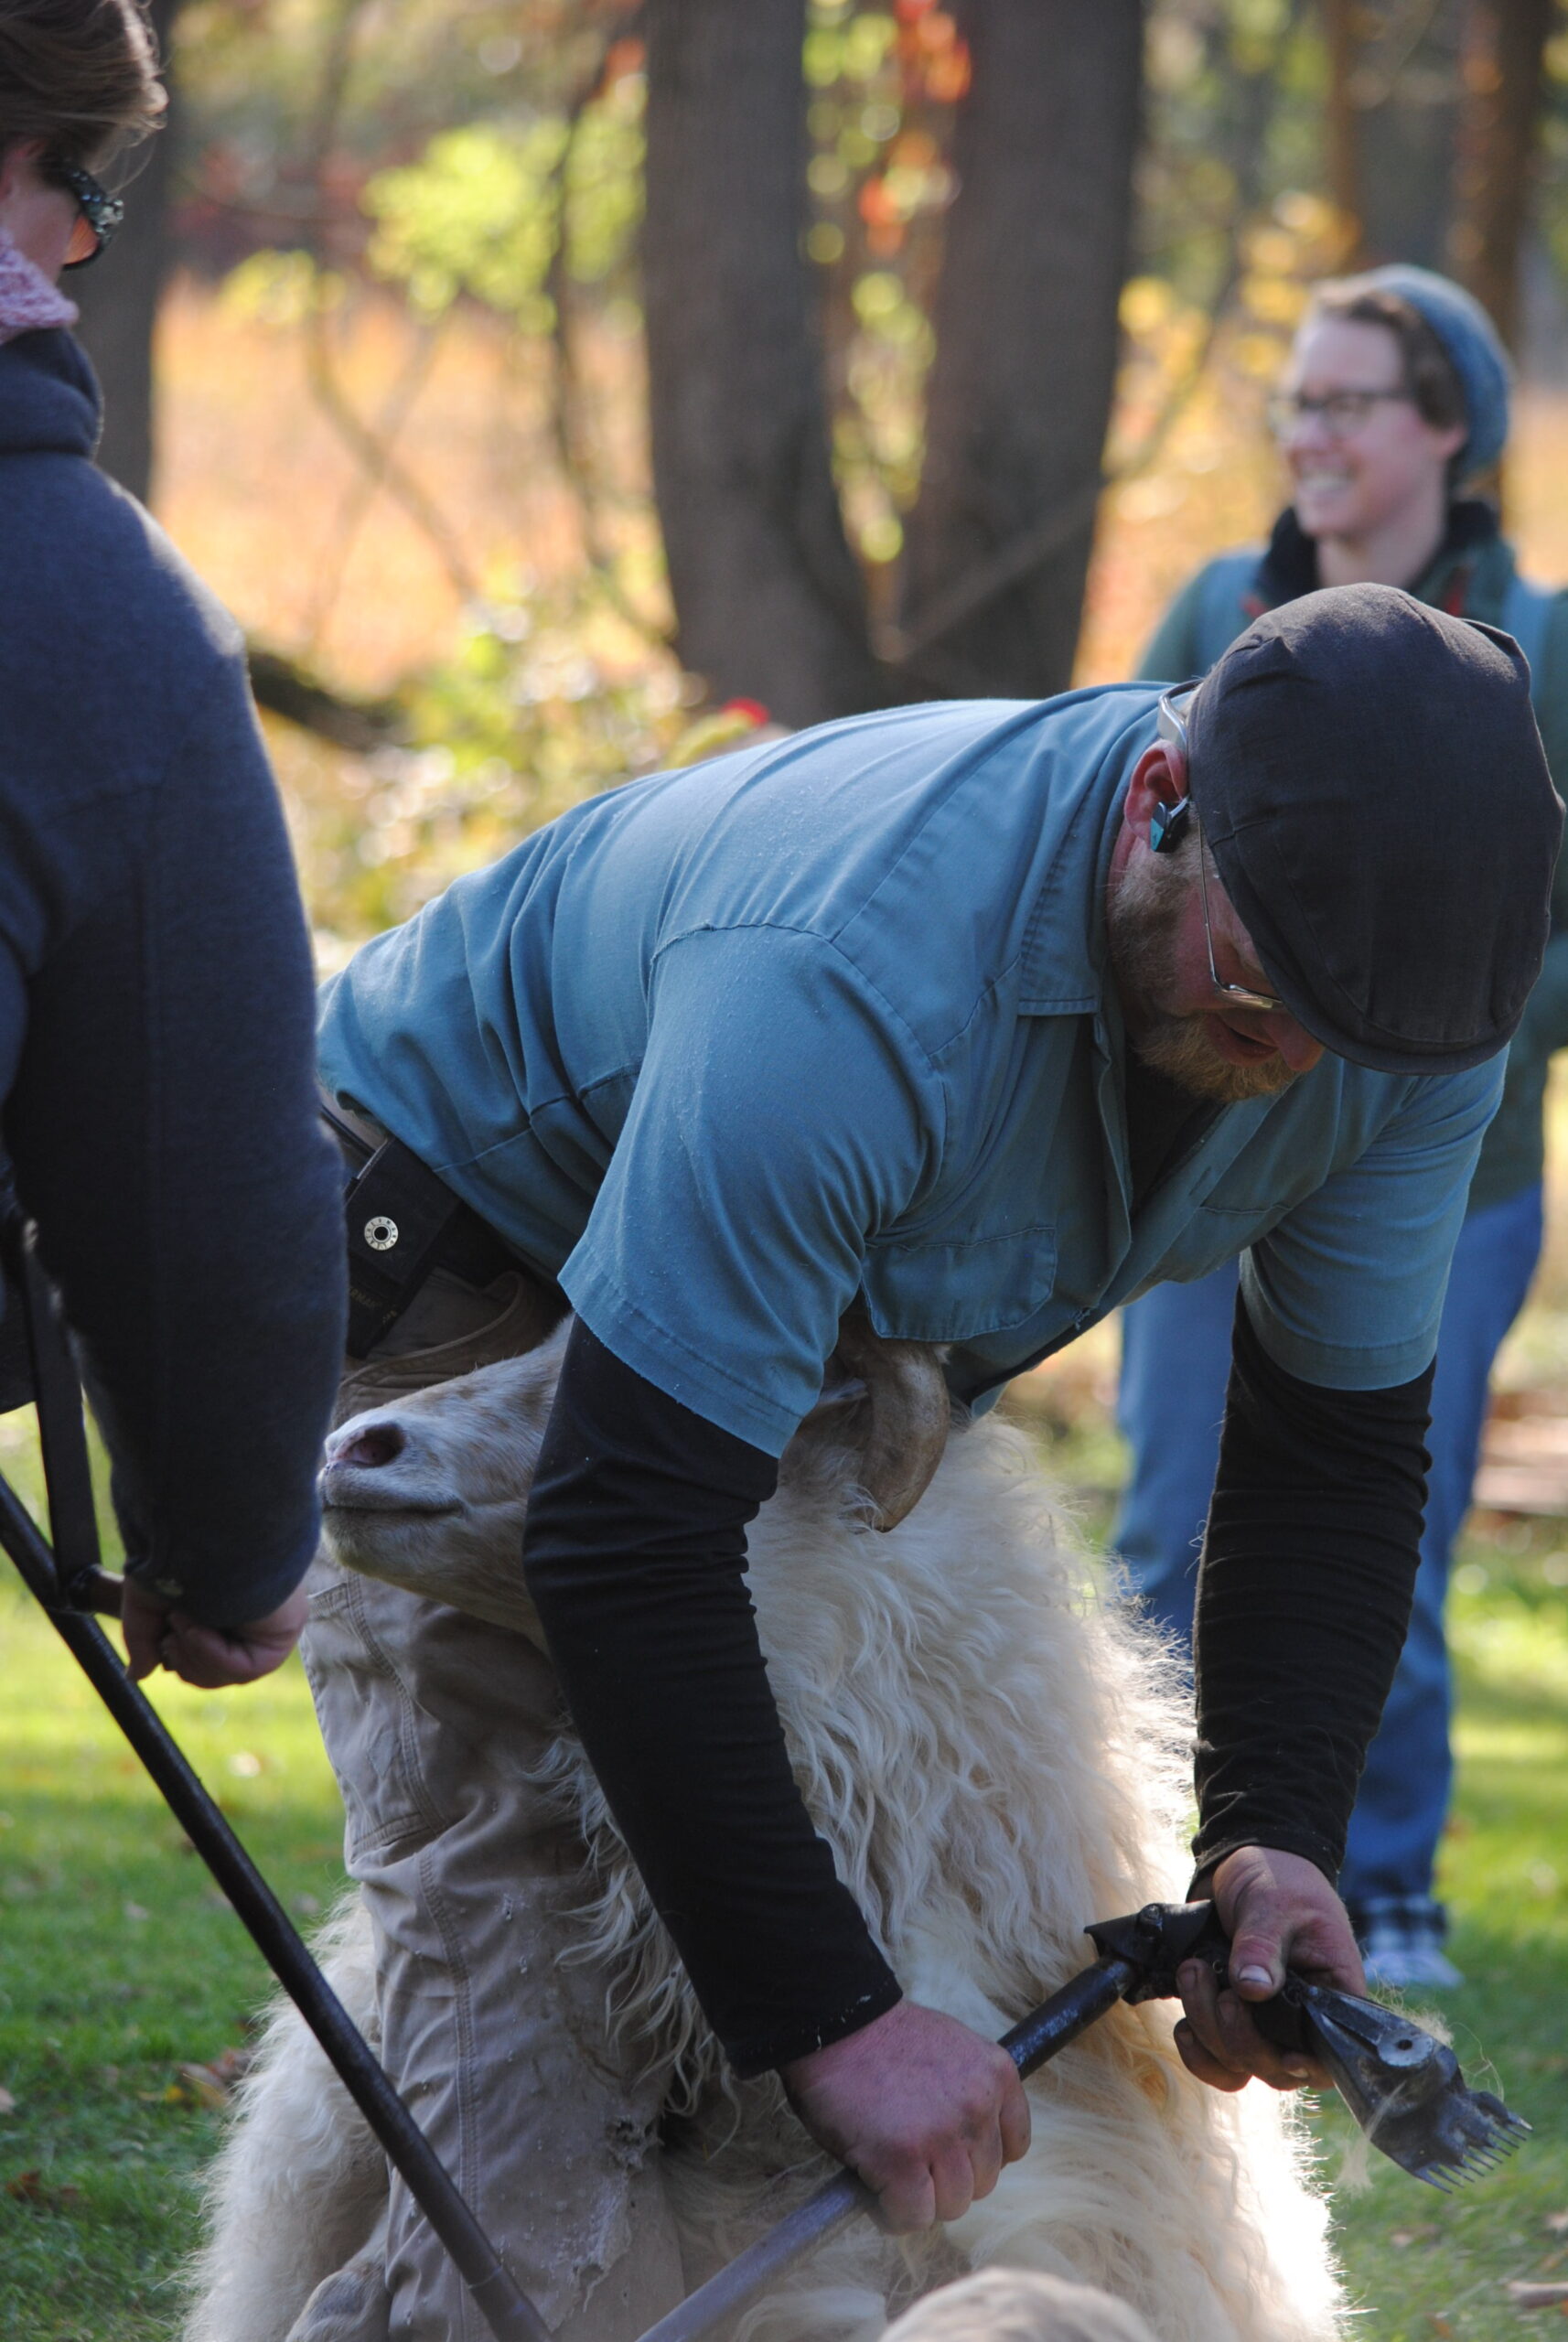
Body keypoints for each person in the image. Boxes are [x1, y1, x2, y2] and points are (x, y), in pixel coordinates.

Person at [307, 583, 1559, 2340]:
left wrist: (1271, 1840)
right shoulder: (849, 974)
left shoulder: (1385, 1001)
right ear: (1157, 802)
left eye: (1350, 1038)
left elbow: (1329, 1447)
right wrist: (832, 2020)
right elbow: (622, 1528)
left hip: (786, 1342)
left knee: (835, 2122)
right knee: (531, 2170)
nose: (1293, 1060)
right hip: (462, 1278)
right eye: (1260, 985)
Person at [1113, 264, 1568, 1991]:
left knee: (1395, 1516)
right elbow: (1118, 821)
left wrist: (1431, 1023)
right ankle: (1139, 1870)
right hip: (1198, 1147)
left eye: (1347, 400)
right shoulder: (1213, 611)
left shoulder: (1538, 637)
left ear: (1450, 432)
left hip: (1447, 1175)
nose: (1308, 431)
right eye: (1293, 399)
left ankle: (1379, 1889)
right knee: (1166, 1523)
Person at [0, 0, 345, 1687]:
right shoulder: (83, 620)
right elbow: (199, 1181)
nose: (73, 251)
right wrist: (227, 1549)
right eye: (77, 189)